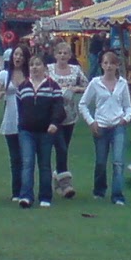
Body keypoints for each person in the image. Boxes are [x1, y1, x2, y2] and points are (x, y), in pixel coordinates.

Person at [79, 49, 131, 205]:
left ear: (117, 66)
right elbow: (83, 103)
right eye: (106, 63)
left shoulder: (122, 84)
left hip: (118, 126)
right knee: (101, 161)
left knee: (118, 162)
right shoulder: (95, 83)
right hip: (100, 126)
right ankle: (99, 190)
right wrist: (91, 121)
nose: (109, 66)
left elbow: (128, 106)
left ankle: (117, 195)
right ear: (101, 65)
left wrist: (126, 118)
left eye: (112, 63)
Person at [14, 51, 66, 208]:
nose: (34, 67)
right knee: (28, 162)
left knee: (44, 164)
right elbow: (20, 108)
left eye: (38, 64)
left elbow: (59, 107)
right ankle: (26, 196)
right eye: (31, 65)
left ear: (44, 67)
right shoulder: (23, 86)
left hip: (46, 131)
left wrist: (54, 123)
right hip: (26, 131)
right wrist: (22, 124)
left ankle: (45, 196)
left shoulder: (53, 86)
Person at [49, 38, 87, 198]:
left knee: (64, 148)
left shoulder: (76, 70)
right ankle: (66, 184)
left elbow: (87, 86)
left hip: (70, 115)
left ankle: (57, 178)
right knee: (61, 148)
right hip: (54, 116)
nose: (63, 56)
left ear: (70, 55)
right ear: (55, 55)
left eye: (65, 53)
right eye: (60, 53)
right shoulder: (49, 69)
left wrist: (76, 88)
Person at [0, 42, 31, 203]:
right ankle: (16, 191)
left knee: (26, 158)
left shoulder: (30, 75)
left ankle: (26, 191)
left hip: (27, 120)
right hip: (10, 120)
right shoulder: (4, 75)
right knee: (15, 158)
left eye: (21, 55)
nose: (18, 58)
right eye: (16, 54)